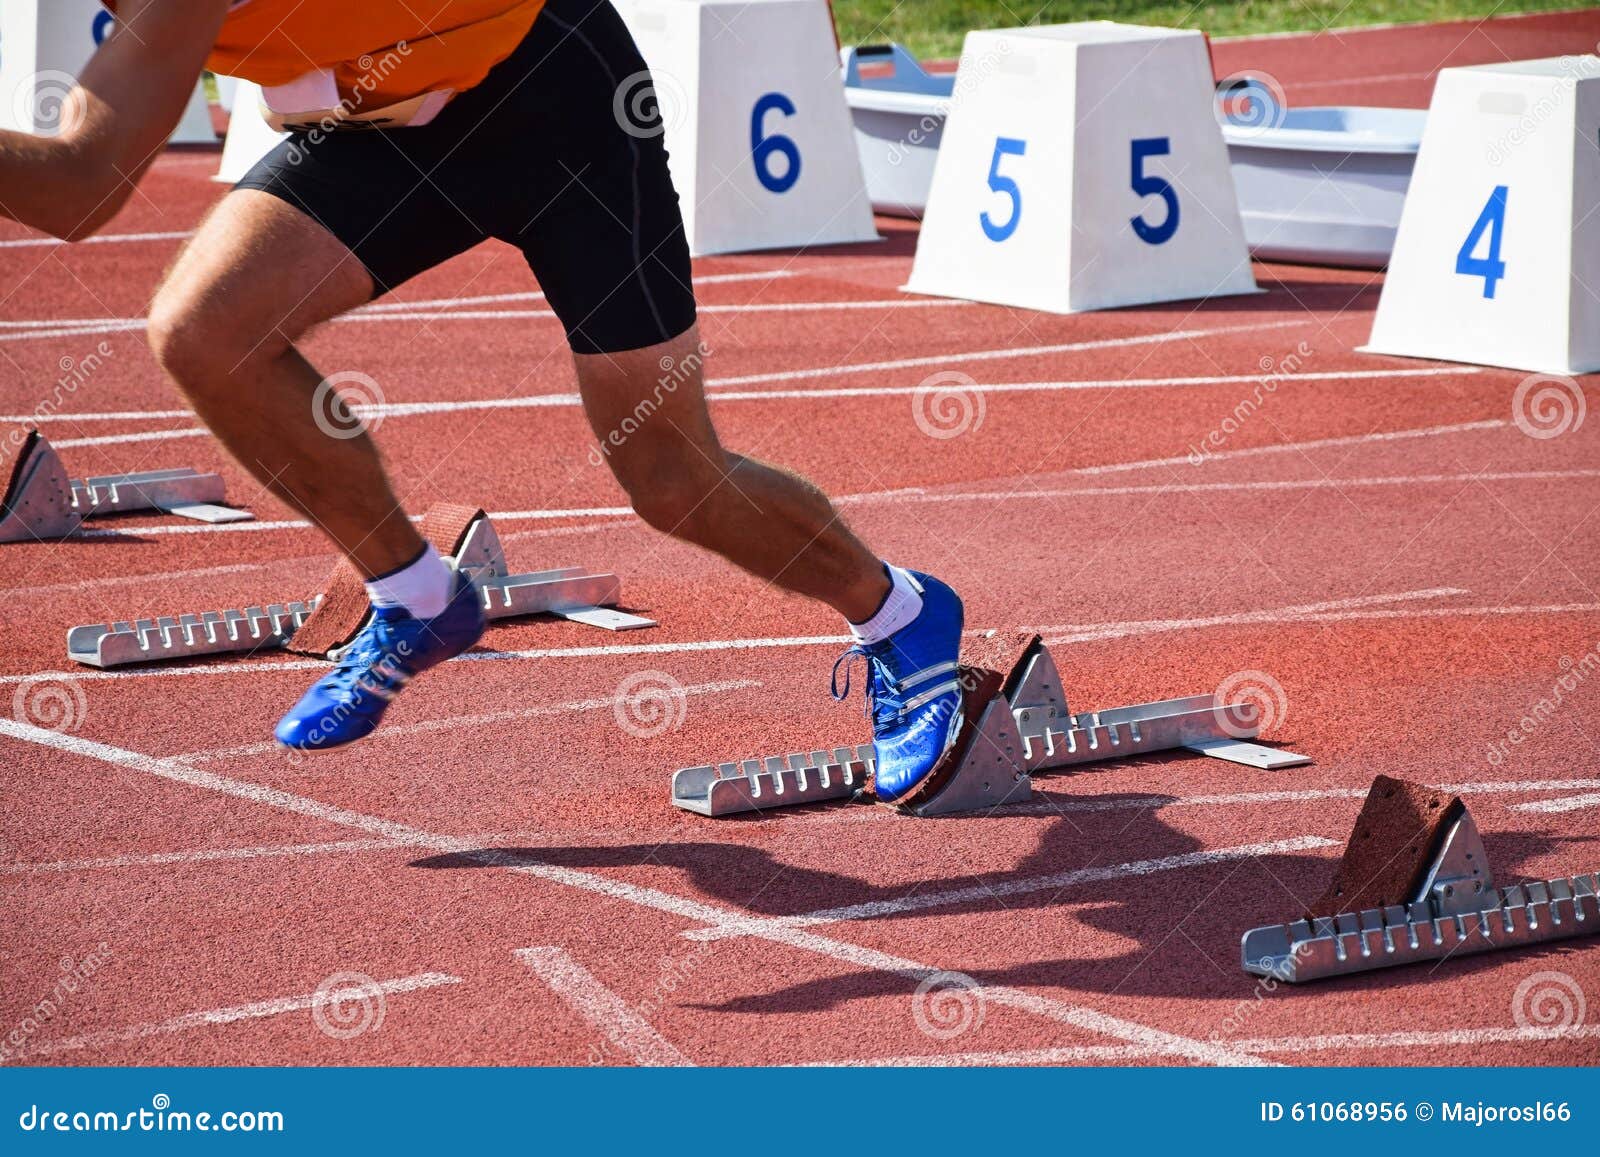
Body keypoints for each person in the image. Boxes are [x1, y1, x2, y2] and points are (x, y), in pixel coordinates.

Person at [0, 0, 965, 802]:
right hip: (382, 124)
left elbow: (83, 183)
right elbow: (81, 183)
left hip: (553, 93)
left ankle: (899, 614)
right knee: (203, 330)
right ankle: (417, 598)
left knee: (672, 479)